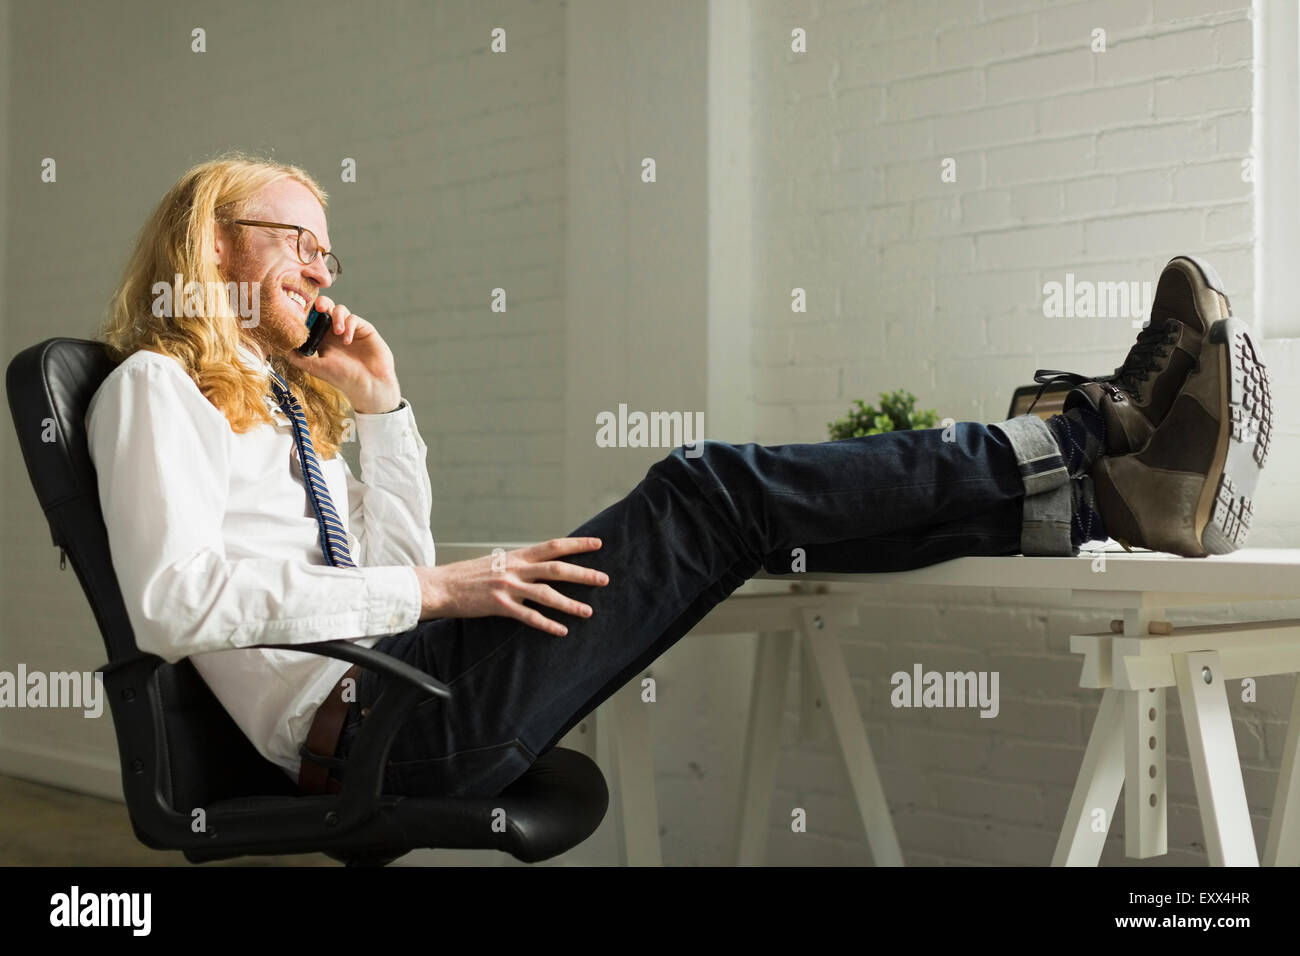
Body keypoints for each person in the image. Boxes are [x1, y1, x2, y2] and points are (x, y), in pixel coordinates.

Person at [86, 155, 1273, 801]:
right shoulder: (151, 389)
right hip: (383, 730)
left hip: (417, 684)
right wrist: (447, 593)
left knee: (743, 519)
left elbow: (391, 573)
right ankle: (1089, 445)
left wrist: (381, 410)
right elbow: (172, 605)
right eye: (288, 234)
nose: (318, 260)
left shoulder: (285, 409)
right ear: (207, 239)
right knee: (706, 489)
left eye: (325, 247)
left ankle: (1098, 490)